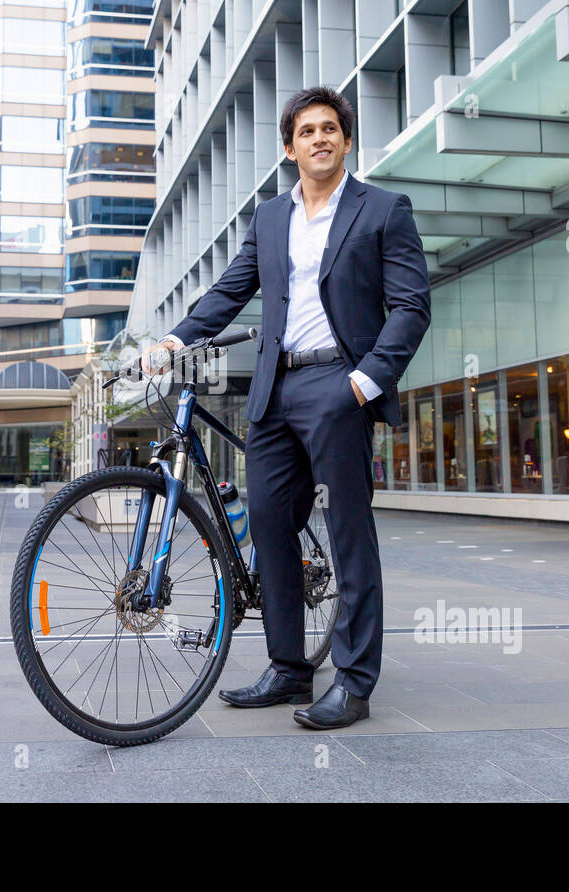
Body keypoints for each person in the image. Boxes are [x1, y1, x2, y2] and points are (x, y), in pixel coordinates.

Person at [141, 86, 431, 729]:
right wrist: (174, 338)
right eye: (307, 131)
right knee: (269, 526)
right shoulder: (271, 218)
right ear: (289, 147)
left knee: (349, 532)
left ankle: (354, 682)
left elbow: (412, 306)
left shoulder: (384, 210)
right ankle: (288, 668)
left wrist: (364, 382)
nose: (320, 138)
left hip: (339, 385)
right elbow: (232, 286)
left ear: (347, 141)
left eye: (331, 128)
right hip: (274, 390)